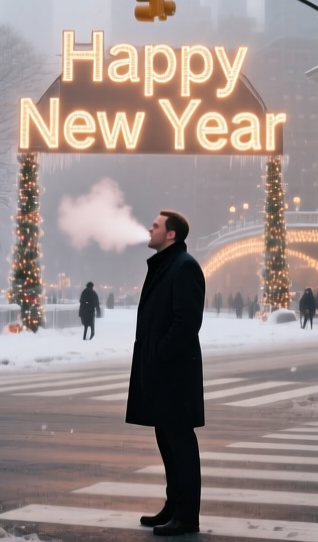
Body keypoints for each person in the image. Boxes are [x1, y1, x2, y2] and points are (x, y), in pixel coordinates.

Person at [126, 210, 205, 537]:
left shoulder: (184, 267)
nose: (149, 228)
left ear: (171, 234)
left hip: (174, 373)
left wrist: (160, 353)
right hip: (163, 372)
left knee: (180, 443)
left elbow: (186, 322)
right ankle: (174, 506)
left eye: (156, 225)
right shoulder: (167, 265)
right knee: (167, 440)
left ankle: (187, 514)